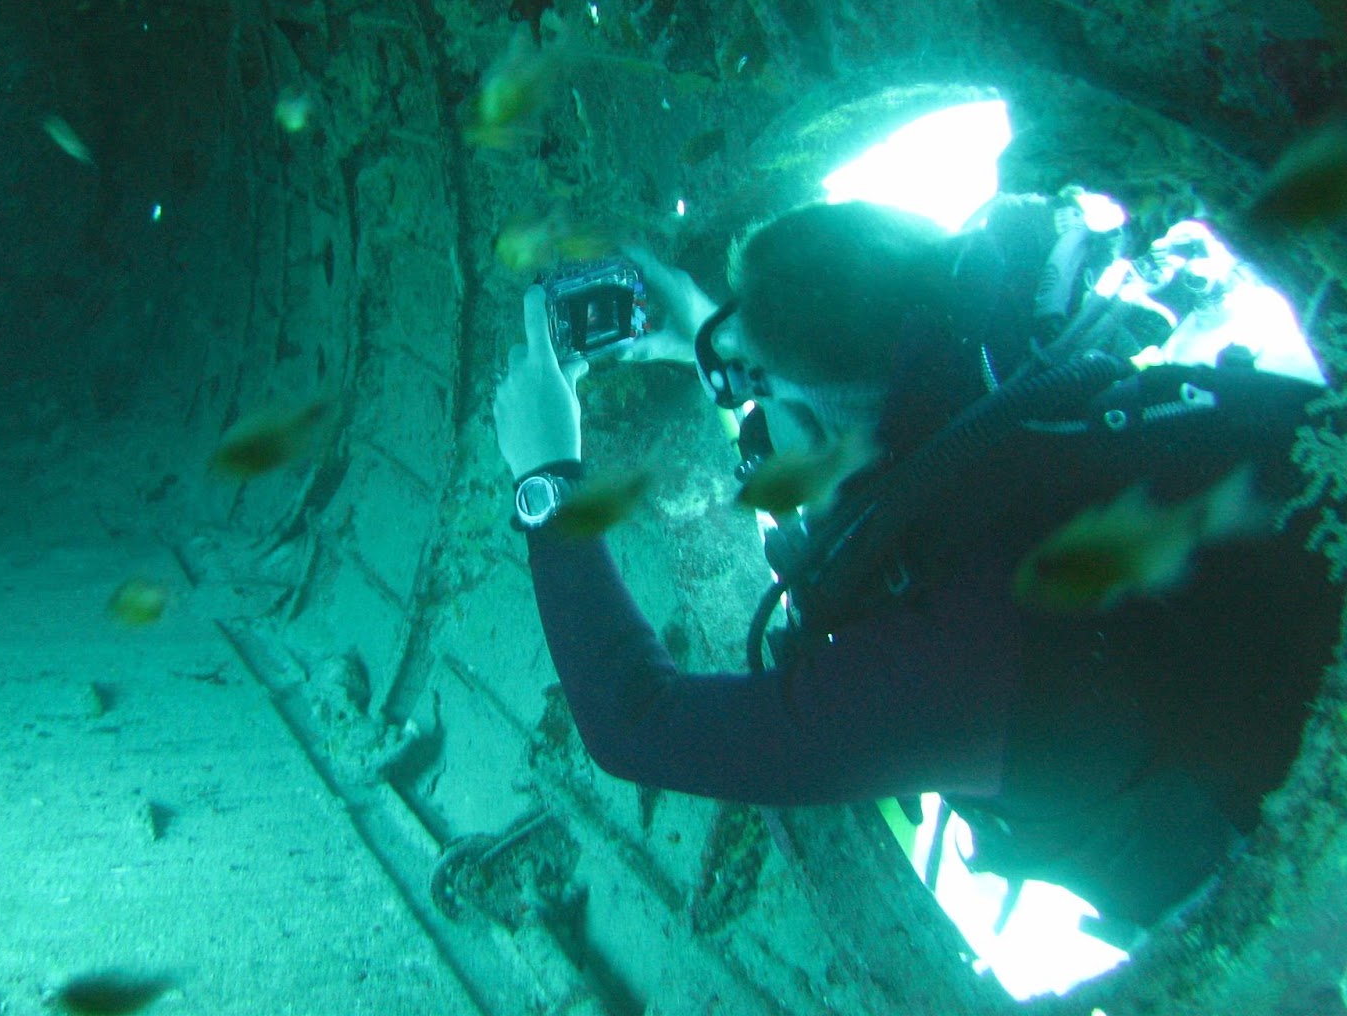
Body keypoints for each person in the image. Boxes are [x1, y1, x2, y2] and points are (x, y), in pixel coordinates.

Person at [492, 197, 1342, 941]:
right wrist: (717, 328)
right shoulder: (1027, 360)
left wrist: (547, 479)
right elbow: (869, 379)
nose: (754, 435)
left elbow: (636, 723)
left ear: (817, 439)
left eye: (762, 403)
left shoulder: (962, 657)